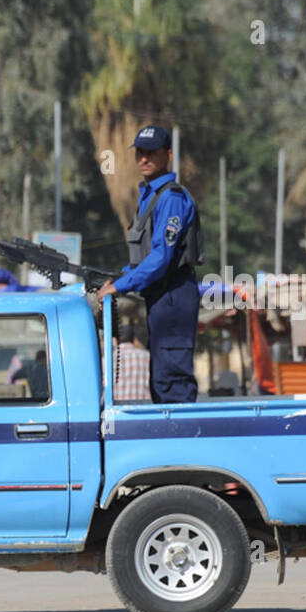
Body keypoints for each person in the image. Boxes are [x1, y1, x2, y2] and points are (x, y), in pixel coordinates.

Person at [96, 124, 204, 404]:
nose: (143, 159)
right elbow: (144, 258)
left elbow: (161, 257)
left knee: (171, 381)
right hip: (161, 297)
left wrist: (121, 286)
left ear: (168, 155)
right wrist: (116, 278)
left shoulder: (171, 198)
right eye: (140, 153)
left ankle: (180, 443)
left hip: (174, 296)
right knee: (160, 380)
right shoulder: (149, 196)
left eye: (151, 153)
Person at [114, 323, 152, 402]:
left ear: (115, 341)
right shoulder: (147, 357)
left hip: (116, 409)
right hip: (145, 408)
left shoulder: (107, 361)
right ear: (134, 340)